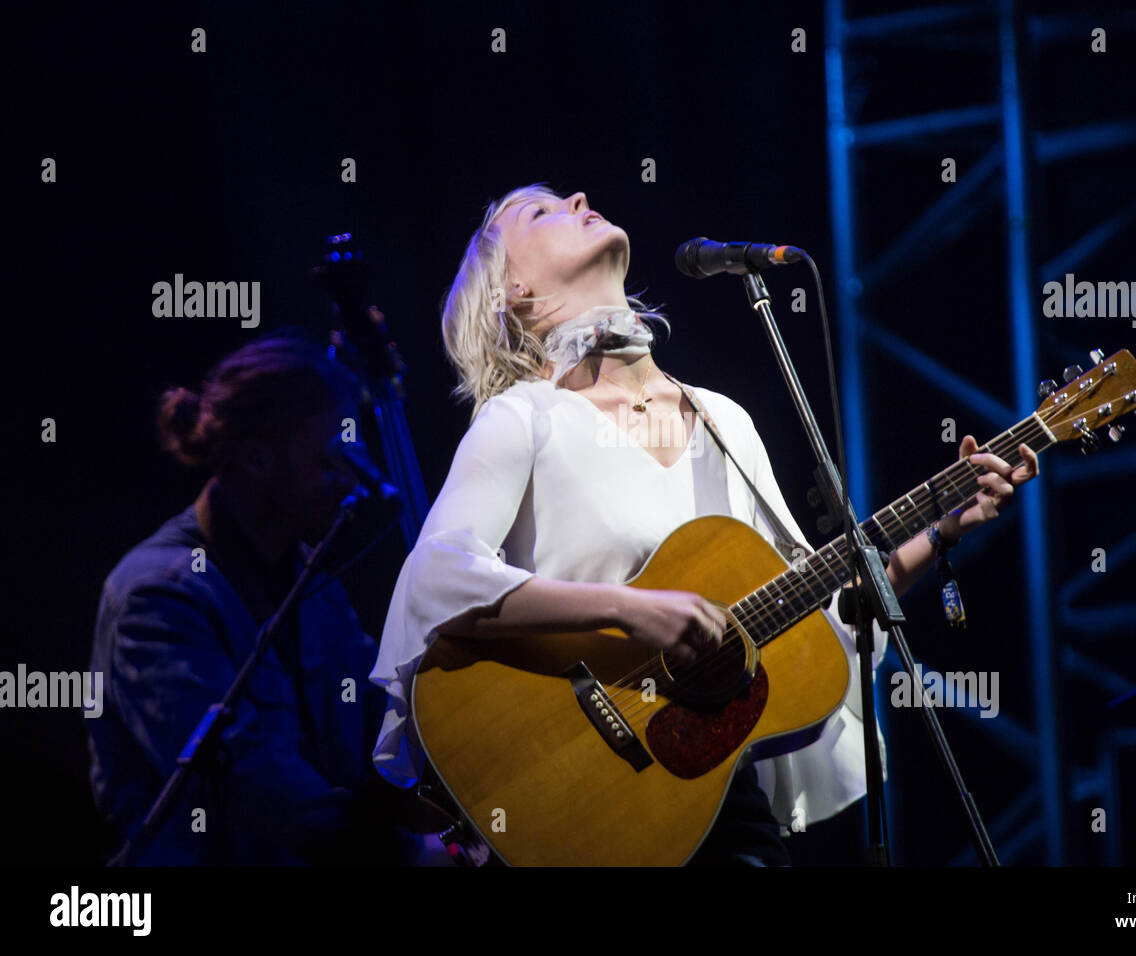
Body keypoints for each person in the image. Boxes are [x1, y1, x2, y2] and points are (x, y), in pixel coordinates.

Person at [369, 184, 1040, 865]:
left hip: (715, 804)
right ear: (512, 292)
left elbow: (819, 618)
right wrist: (629, 610)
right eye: (540, 212)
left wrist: (941, 531)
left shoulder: (724, 420)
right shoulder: (524, 418)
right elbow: (437, 576)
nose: (577, 196)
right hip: (581, 800)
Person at [89, 332, 447, 865]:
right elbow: (256, 784)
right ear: (257, 459)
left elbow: (372, 715)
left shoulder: (305, 574)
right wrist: (412, 854)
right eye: (329, 458)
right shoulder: (155, 597)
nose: (350, 480)